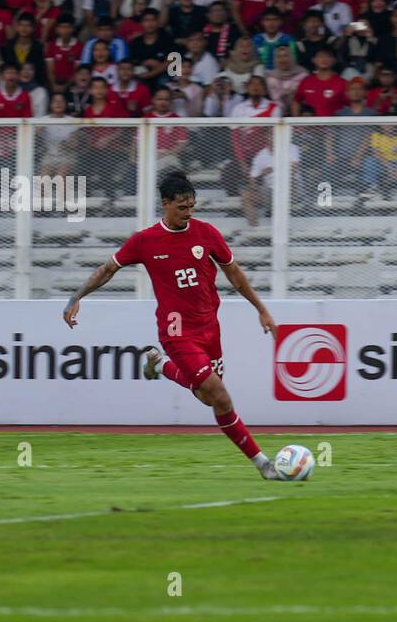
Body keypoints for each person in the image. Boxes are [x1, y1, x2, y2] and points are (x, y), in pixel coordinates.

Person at [63, 171, 283, 481]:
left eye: (192, 206)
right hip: (177, 331)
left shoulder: (207, 234)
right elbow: (108, 269)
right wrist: (76, 296)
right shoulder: (145, 240)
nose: (188, 213)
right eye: (182, 207)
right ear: (165, 204)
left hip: (210, 327)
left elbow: (234, 273)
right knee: (219, 395)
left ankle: (160, 365)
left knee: (207, 397)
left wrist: (261, 309)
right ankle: (262, 463)